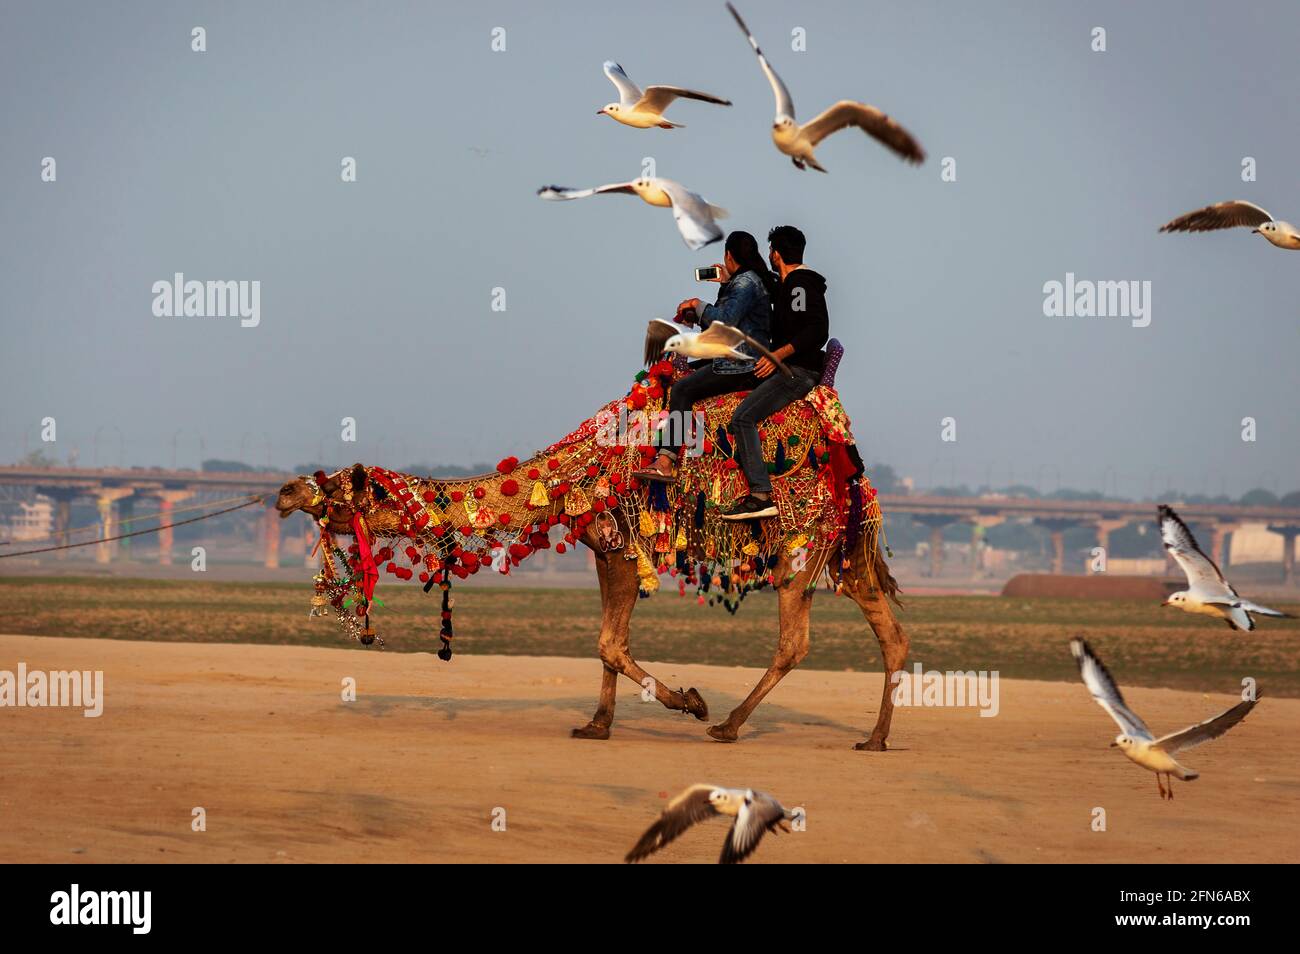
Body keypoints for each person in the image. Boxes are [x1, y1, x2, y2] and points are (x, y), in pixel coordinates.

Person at [633, 230, 776, 482]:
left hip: (739, 365)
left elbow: (725, 320)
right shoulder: (744, 281)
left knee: (682, 390)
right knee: (683, 371)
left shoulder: (745, 283)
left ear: (729, 255)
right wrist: (723, 286)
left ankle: (666, 459)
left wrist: (699, 306)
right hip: (737, 357)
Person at [720, 225, 828, 520]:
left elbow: (816, 330)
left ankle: (760, 495)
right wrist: (729, 280)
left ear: (775, 254)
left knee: (742, 417)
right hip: (788, 367)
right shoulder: (787, 285)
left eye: (770, 251)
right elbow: (768, 283)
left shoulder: (799, 287)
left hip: (797, 372)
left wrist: (778, 355)